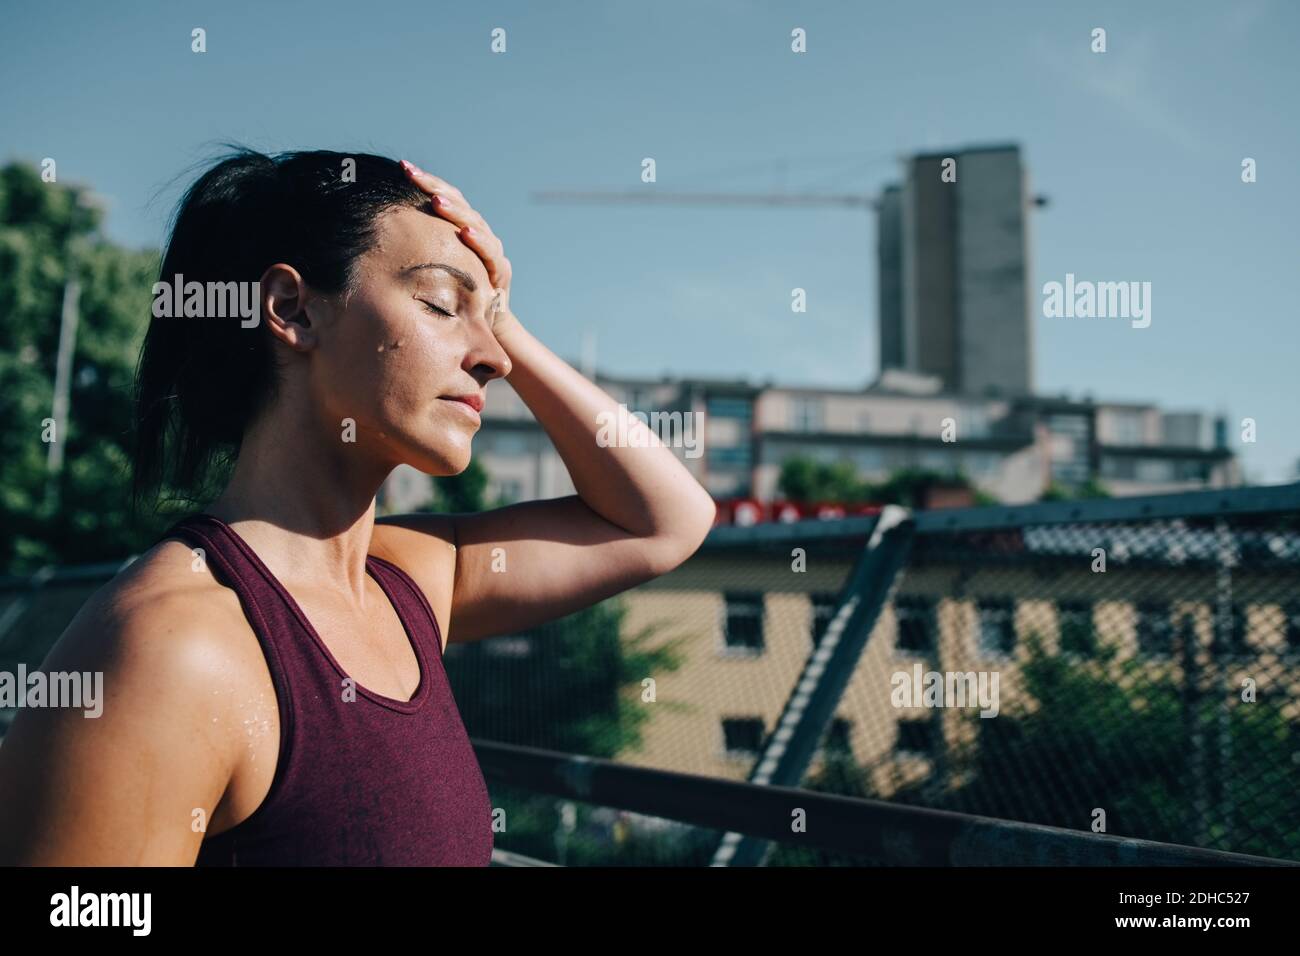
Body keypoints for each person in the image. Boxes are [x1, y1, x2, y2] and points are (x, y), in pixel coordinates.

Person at [0, 149, 716, 865]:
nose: (492, 357)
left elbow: (664, 521)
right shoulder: (172, 649)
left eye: (489, 321)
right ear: (293, 309)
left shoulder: (406, 585)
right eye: (440, 304)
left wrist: (505, 318)